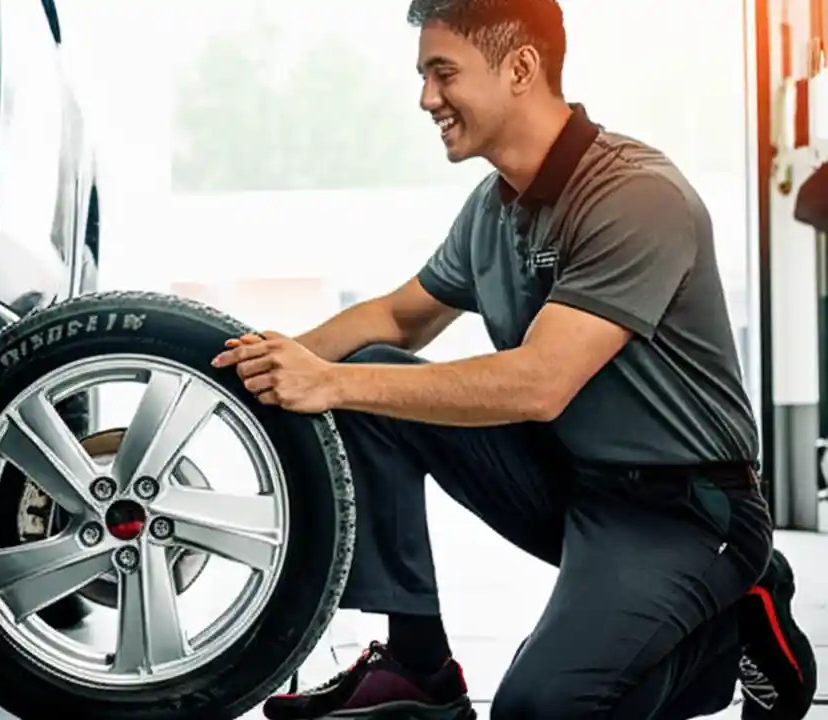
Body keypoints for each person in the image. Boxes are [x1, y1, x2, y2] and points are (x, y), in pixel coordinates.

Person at [211, 1, 818, 718]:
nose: (426, 98)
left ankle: (735, 611)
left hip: (684, 511)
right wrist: (229, 380)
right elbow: (396, 318)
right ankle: (418, 668)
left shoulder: (635, 195)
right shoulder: (495, 207)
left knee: (539, 710)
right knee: (371, 378)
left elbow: (540, 383)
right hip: (573, 483)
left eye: (443, 73)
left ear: (521, 67)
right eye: (424, 75)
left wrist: (331, 379)